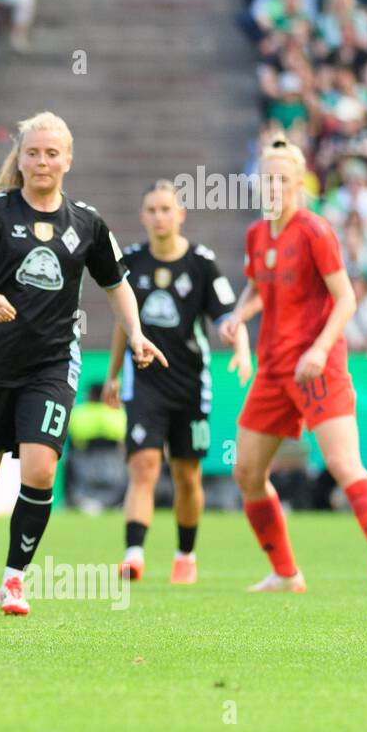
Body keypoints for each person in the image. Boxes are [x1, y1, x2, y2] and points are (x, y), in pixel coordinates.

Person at [0, 111, 167, 617]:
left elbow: (117, 285)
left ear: (68, 159)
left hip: (52, 365)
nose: (42, 161)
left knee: (40, 470)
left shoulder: (86, 221)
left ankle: (14, 581)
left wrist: (137, 334)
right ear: (19, 160)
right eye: (33, 153)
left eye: (51, 153)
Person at [222, 137, 367, 595]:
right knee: (247, 472)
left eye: (282, 180)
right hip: (273, 367)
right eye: (266, 180)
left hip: (317, 365)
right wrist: (238, 316)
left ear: (299, 184)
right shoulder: (255, 235)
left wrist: (319, 349)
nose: (274, 188)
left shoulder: (315, 231)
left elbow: (346, 299)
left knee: (344, 462)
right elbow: (255, 288)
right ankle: (286, 574)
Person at [102, 180, 252, 584]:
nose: (159, 217)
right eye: (152, 210)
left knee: (187, 474)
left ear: (180, 214)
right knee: (144, 465)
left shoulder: (201, 262)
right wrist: (113, 374)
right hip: (144, 380)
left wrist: (240, 347)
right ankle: (133, 554)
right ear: (142, 216)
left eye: (166, 209)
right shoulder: (130, 262)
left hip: (190, 383)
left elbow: (226, 316)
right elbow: (123, 323)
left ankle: (185, 554)